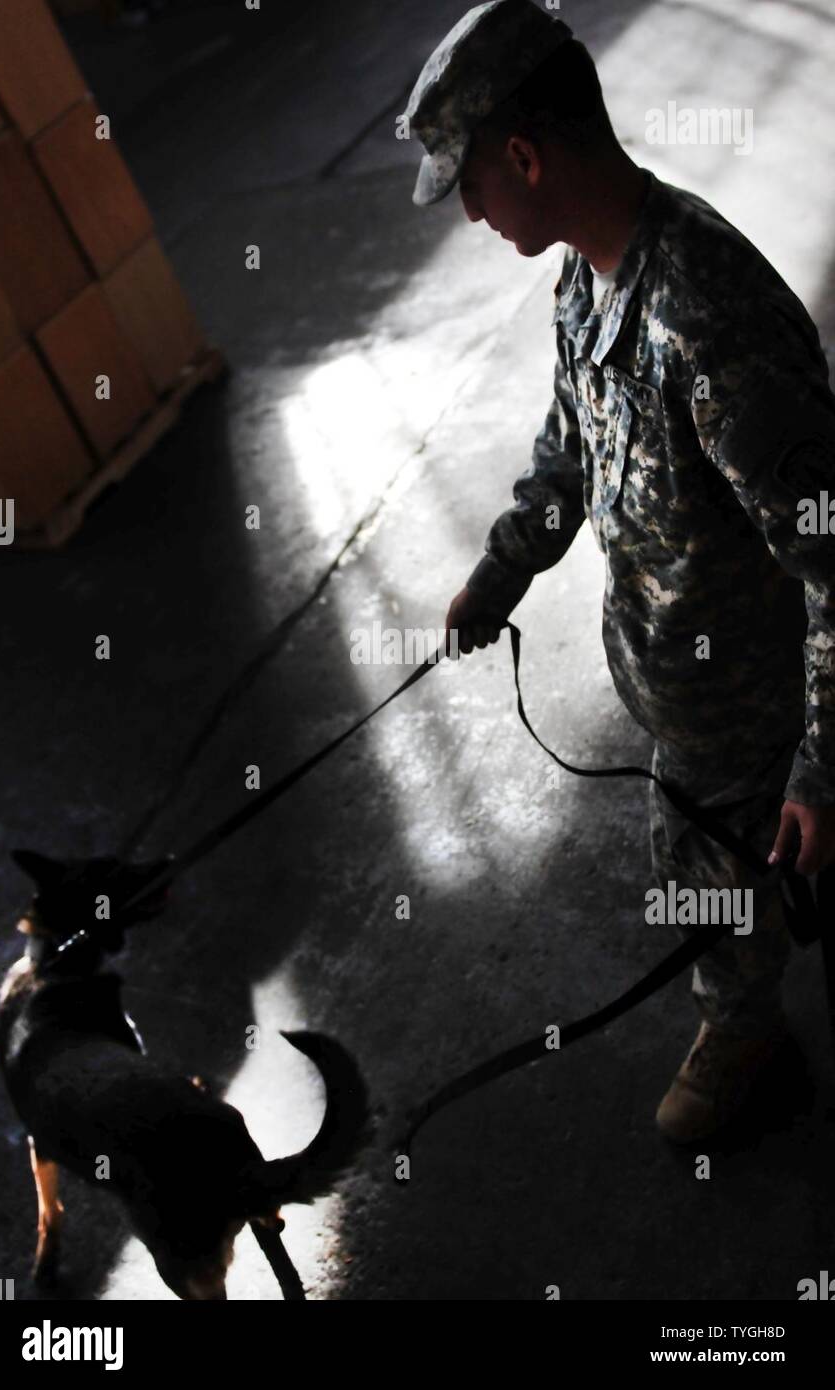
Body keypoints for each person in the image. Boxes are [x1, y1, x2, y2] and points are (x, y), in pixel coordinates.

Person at [404, 0, 835, 1141]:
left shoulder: (705, 314)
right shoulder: (587, 283)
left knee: (717, 888)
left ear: (525, 157)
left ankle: (742, 1030)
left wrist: (819, 767)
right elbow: (568, 452)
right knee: (711, 871)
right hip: (685, 705)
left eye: (467, 181)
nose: (467, 210)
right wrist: (502, 571)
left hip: (754, 720)